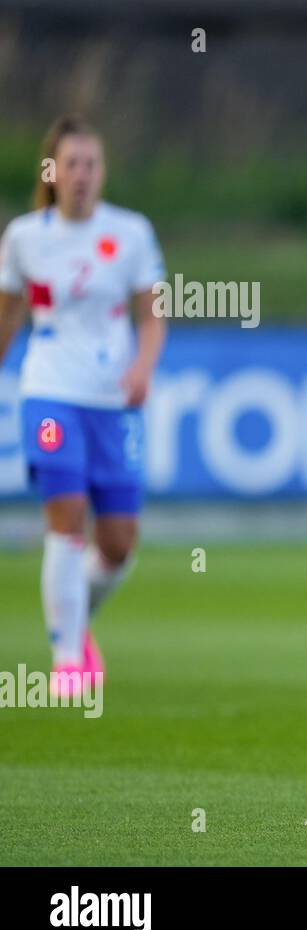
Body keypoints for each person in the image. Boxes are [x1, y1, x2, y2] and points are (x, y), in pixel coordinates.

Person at [0, 115, 167, 698]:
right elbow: (7, 318)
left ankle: (76, 620)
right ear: (52, 171)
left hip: (112, 402)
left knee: (118, 544)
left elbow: (152, 314)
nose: (81, 175)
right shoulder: (24, 237)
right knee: (66, 515)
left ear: (102, 172)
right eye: (70, 164)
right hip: (48, 393)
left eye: (91, 164)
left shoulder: (131, 233)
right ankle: (67, 660)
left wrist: (143, 366)